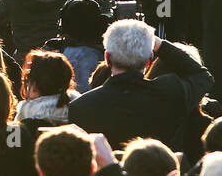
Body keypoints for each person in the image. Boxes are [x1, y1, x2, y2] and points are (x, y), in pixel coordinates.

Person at [69, 19, 213, 151]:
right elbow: (202, 76)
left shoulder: (81, 107)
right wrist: (159, 44)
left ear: (107, 58)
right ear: (149, 60)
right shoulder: (170, 91)